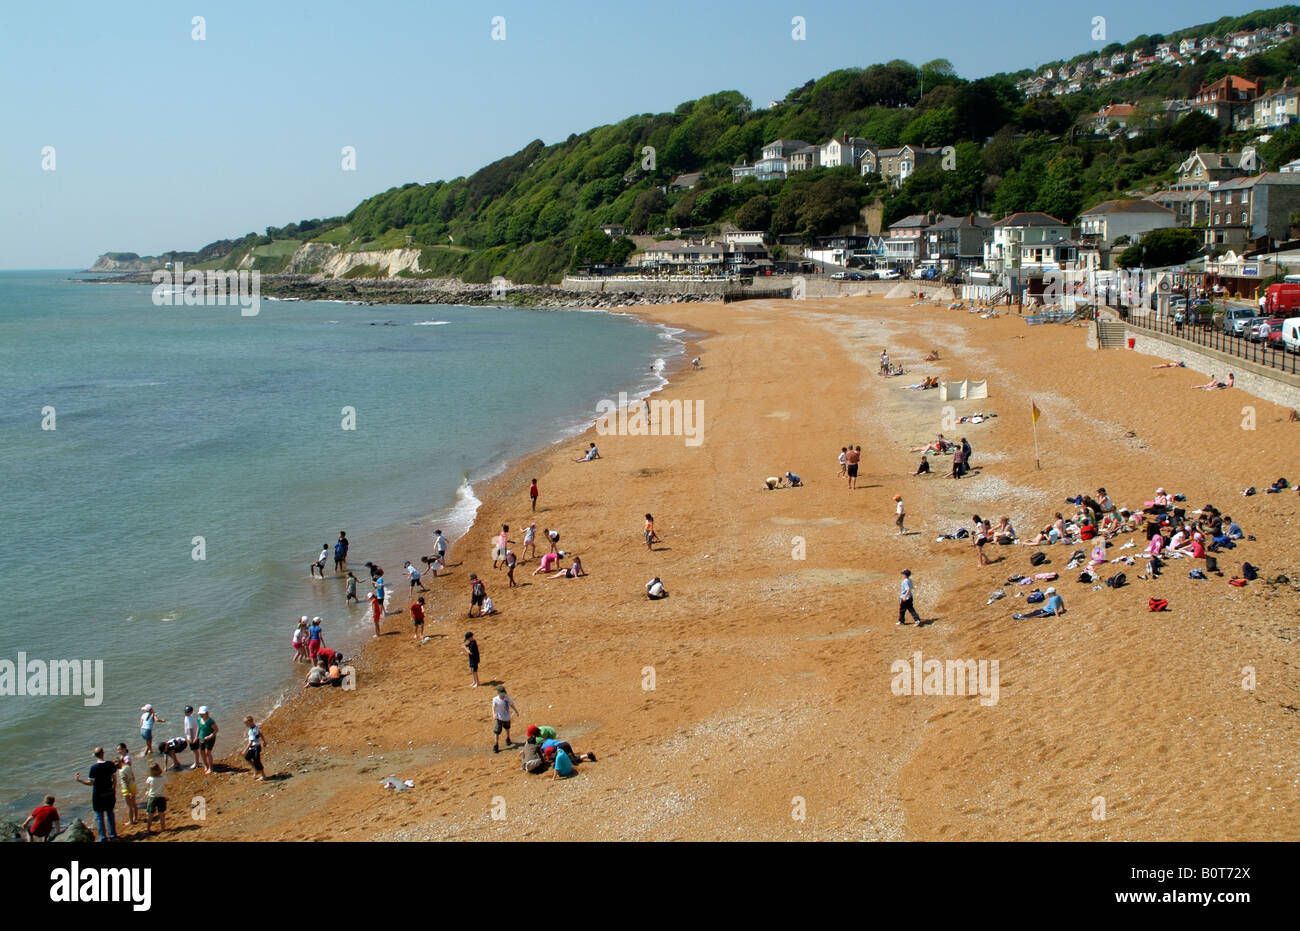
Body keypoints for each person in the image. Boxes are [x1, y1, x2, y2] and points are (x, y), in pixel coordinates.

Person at [74, 747, 118, 842]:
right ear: (103, 753)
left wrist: (79, 780)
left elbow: (90, 783)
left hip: (98, 794)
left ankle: (102, 837)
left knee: (99, 816)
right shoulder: (110, 764)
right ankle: (113, 835)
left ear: (95, 756)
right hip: (109, 792)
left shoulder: (94, 768)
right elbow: (114, 778)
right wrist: (114, 789)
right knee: (110, 813)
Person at [115, 744, 138, 825]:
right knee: (134, 803)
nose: (118, 751)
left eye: (119, 749)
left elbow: (126, 780)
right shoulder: (126, 766)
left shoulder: (125, 761)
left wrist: (129, 791)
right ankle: (136, 818)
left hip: (127, 787)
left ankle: (131, 821)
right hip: (132, 784)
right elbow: (132, 775)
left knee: (129, 805)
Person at [492, 685, 519, 753]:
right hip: (499, 718)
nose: (502, 695)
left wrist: (516, 710)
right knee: (497, 732)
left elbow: (512, 705)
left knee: (507, 728)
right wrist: (494, 714)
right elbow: (493, 707)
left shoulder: (508, 698)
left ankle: (508, 738)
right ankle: (496, 745)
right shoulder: (495, 699)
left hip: (506, 718)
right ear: (498, 693)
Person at [241, 716, 267, 781]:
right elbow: (260, 734)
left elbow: (250, 742)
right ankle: (256, 769)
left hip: (255, 747)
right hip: (255, 746)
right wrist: (264, 741)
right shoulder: (256, 727)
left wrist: (245, 750)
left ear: (251, 722)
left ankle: (263, 775)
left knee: (257, 761)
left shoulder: (252, 731)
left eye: (246, 723)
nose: (246, 725)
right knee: (247, 758)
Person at [144, 762, 167, 834]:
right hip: (161, 797)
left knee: (150, 814)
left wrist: (147, 792)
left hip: (152, 797)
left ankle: (148, 829)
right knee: (161, 814)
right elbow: (166, 786)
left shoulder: (150, 778)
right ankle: (163, 829)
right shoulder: (163, 778)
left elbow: (148, 787)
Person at [196, 706, 218, 775]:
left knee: (208, 753)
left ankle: (211, 768)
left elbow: (216, 730)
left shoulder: (210, 721)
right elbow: (198, 728)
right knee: (202, 752)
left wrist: (209, 736)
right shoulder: (199, 719)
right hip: (202, 739)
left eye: (202, 714)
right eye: (200, 714)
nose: (201, 715)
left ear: (207, 713)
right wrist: (196, 736)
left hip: (210, 739)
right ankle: (206, 765)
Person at [183, 705, 201, 769]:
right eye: (185, 711)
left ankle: (196, 763)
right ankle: (197, 762)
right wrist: (185, 735)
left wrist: (192, 739)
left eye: (187, 712)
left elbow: (190, 729)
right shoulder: (188, 717)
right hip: (191, 736)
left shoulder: (189, 719)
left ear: (191, 712)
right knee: (195, 750)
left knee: (195, 750)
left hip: (192, 737)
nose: (186, 713)